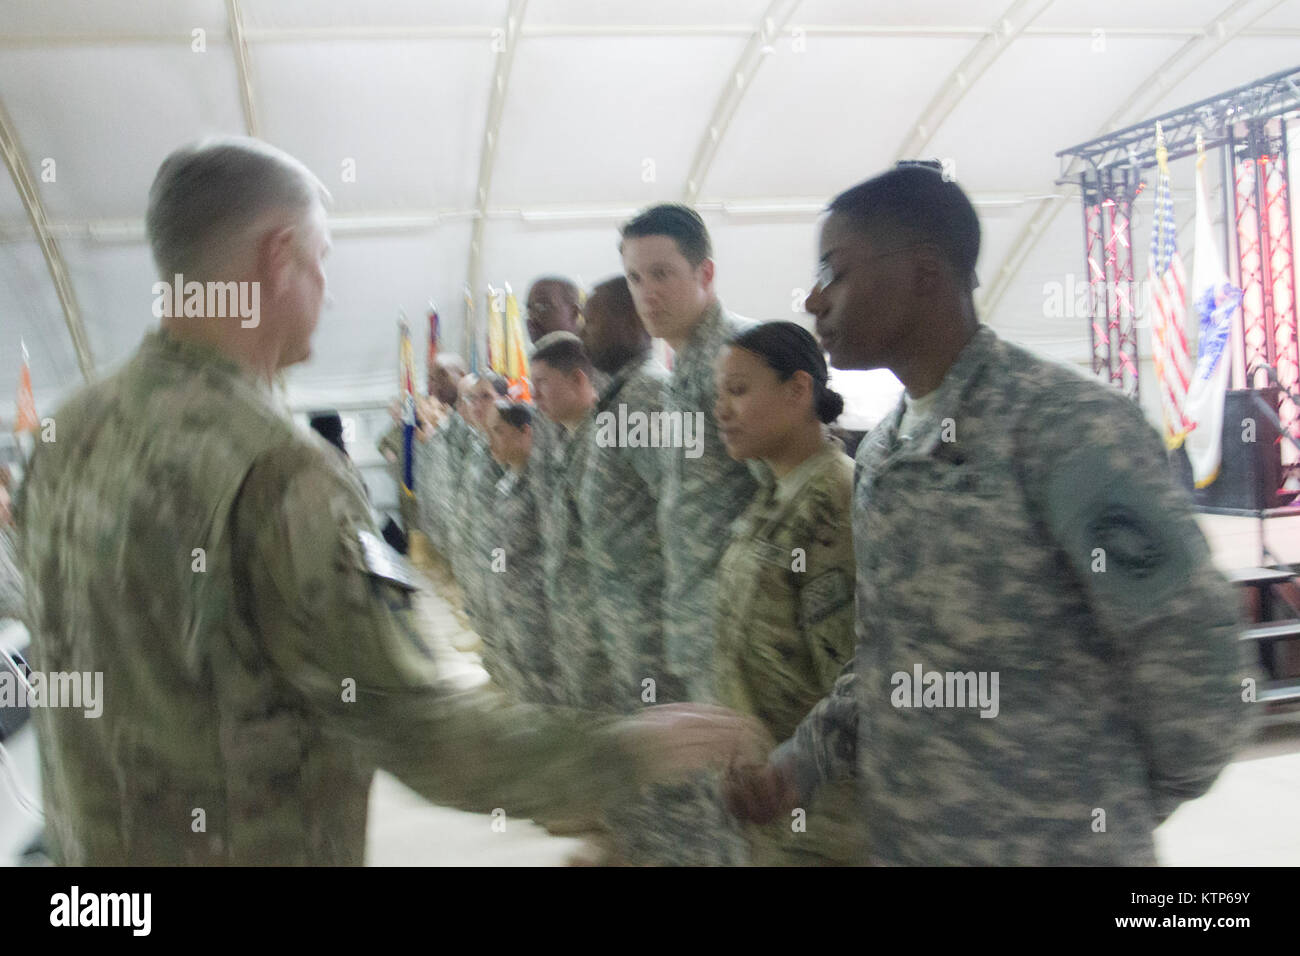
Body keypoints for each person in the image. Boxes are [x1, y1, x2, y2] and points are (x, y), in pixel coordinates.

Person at [15, 137, 766, 865]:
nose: (327, 290)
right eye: (320, 262)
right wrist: (637, 747)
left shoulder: (65, 433)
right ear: (279, 260)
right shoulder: (278, 471)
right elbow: (421, 732)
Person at [725, 163, 1248, 865]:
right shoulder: (885, 451)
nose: (815, 299)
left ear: (924, 274)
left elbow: (1190, 647)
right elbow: (890, 659)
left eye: (836, 272)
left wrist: (1115, 801)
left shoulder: (1064, 429)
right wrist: (800, 763)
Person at [619, 203, 757, 865]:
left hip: (744, 639)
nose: (647, 293)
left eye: (662, 274)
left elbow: (790, 493)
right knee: (719, 811)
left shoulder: (739, 364)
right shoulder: (678, 377)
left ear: (705, 272)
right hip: (698, 634)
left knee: (756, 818)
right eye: (635, 279)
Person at [712, 321, 868, 866]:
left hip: (823, 822)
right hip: (774, 812)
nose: (722, 411)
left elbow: (856, 683)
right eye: (719, 394)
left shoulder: (833, 503)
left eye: (738, 390)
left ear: (798, 391)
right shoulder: (777, 494)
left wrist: (791, 773)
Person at [576, 276, 671, 707]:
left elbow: (674, 506)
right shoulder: (620, 398)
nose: (581, 331)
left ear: (634, 321)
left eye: (591, 320)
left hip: (652, 624)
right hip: (626, 619)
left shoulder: (644, 397)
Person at [529, 333, 614, 711]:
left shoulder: (606, 440)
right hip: (576, 619)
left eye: (543, 384)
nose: (535, 397)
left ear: (580, 379)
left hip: (604, 625)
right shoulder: (572, 441)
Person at [480, 400, 561, 704]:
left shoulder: (543, 483)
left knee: (546, 697)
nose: (491, 442)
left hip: (537, 612)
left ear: (526, 432)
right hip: (509, 607)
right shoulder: (506, 483)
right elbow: (500, 546)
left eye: (498, 432)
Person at [525, 276, 581, 345]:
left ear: (574, 312)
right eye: (529, 309)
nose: (533, 317)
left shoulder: (589, 352)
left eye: (543, 307)